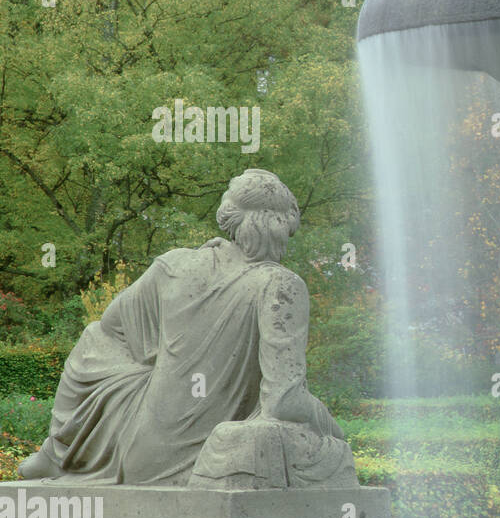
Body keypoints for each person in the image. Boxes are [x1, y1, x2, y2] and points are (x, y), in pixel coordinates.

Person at [19, 169, 352, 487]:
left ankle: (55, 451)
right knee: (324, 452)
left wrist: (164, 363)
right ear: (279, 226)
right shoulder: (280, 285)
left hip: (133, 451)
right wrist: (331, 426)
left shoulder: (177, 264)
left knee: (94, 335)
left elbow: (106, 330)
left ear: (230, 219)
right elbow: (284, 401)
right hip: (198, 459)